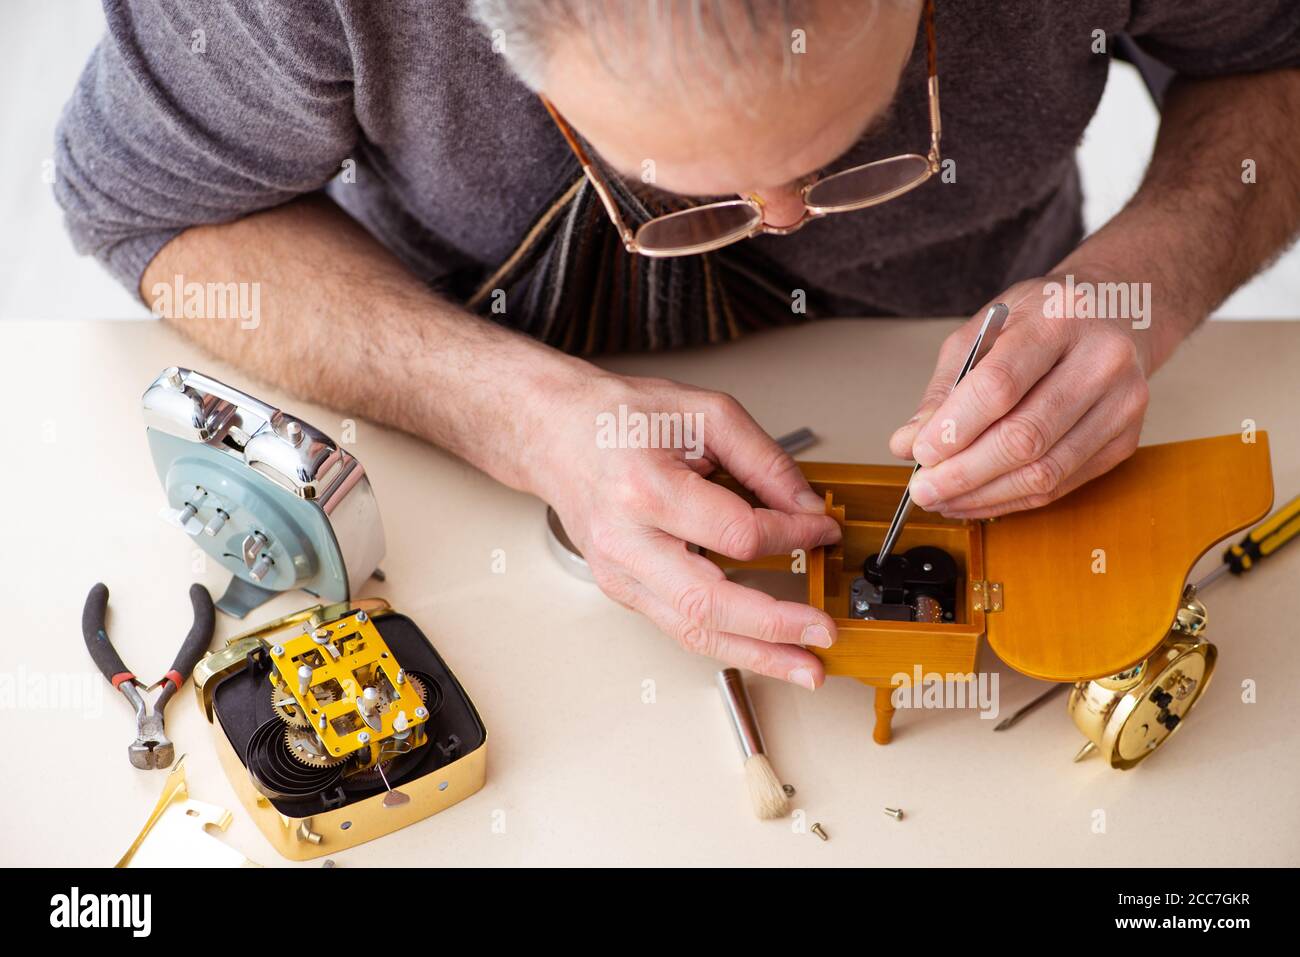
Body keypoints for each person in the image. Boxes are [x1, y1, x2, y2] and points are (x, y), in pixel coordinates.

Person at [54, 1, 1300, 688]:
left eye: (854, 141)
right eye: (682, 181)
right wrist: (514, 412)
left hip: (960, 346)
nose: (779, 217)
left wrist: (1143, 286)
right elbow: (153, 210)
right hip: (447, 450)